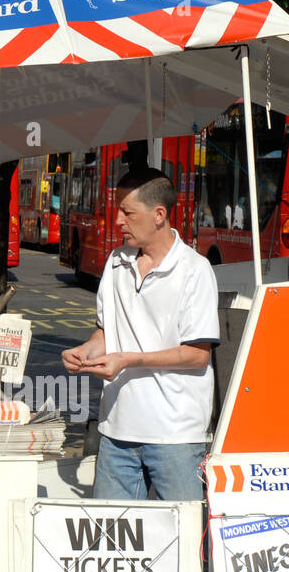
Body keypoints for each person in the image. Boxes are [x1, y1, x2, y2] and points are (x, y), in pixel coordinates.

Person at [62, 167, 219, 502]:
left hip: (174, 434)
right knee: (113, 542)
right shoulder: (116, 261)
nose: (118, 221)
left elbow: (197, 354)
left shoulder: (195, 270)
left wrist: (130, 360)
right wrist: (87, 350)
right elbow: (107, 330)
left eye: (127, 212)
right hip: (117, 429)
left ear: (158, 215)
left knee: (182, 541)